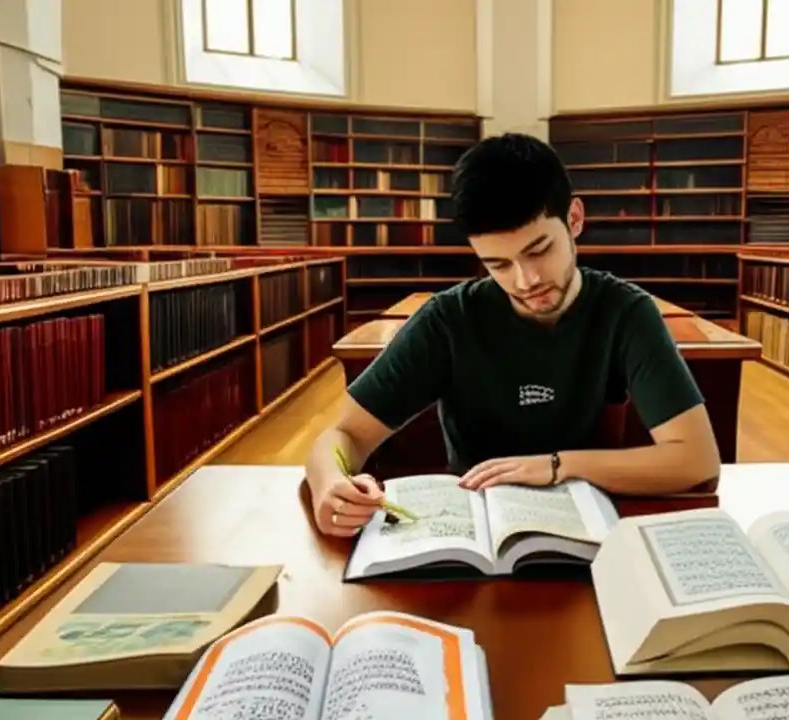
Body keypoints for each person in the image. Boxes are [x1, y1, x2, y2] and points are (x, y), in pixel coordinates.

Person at [305, 132, 722, 536]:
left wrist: (558, 466)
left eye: (539, 251)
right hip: (474, 534)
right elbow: (344, 435)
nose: (526, 281)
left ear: (574, 219)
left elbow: (698, 460)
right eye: (498, 265)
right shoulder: (448, 319)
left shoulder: (626, 313)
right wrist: (330, 484)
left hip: (590, 529)